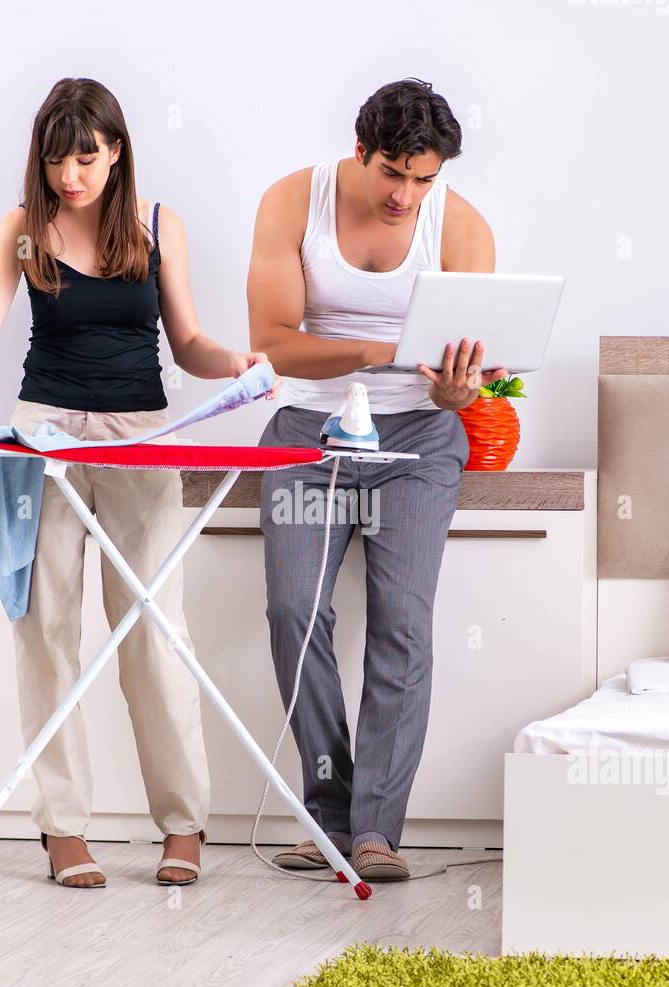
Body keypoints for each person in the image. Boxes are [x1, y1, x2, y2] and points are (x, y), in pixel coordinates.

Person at [0, 77, 276, 887]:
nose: (71, 176)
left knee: (155, 633)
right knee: (46, 631)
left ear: (116, 151)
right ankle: (63, 828)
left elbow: (186, 343)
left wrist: (238, 363)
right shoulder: (24, 228)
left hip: (141, 437)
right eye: (57, 159)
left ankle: (183, 824)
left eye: (86, 157)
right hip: (46, 435)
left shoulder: (158, 226)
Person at [246, 78, 504, 882]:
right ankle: (327, 813)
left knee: (403, 620)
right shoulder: (295, 201)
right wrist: (377, 351)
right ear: (362, 151)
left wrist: (455, 394)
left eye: (423, 179)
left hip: (419, 437)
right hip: (310, 430)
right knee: (294, 610)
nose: (406, 195)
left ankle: (374, 832)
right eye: (394, 172)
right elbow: (274, 344)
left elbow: (459, 380)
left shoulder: (460, 228)